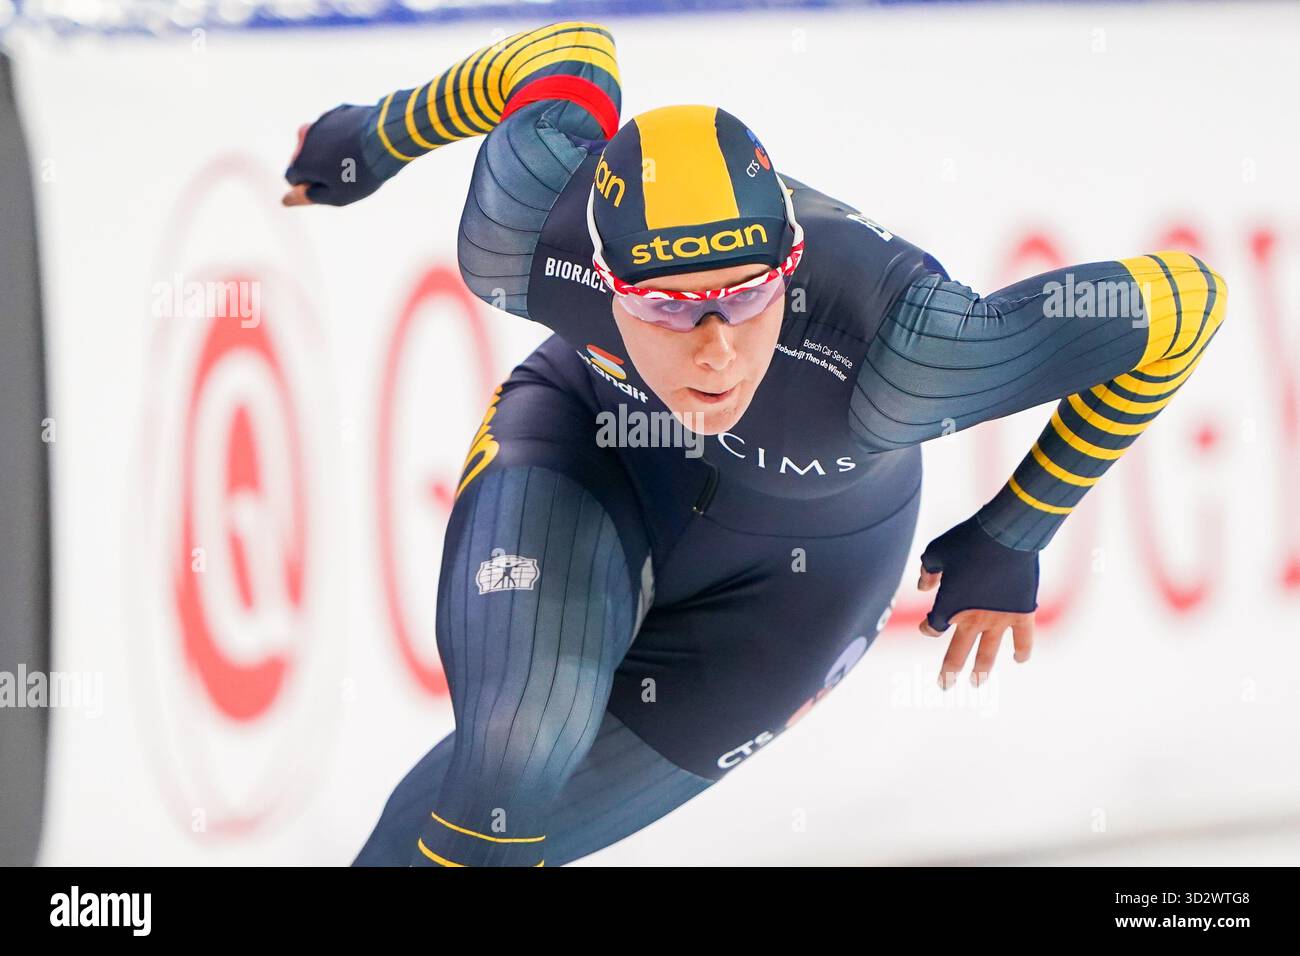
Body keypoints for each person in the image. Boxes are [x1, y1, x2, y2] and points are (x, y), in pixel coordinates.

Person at [283, 21, 1227, 867]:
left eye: (746, 293)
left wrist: (1019, 528)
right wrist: (377, 136)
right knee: (515, 752)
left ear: (791, 266)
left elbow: (1189, 302)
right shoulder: (521, 232)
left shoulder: (906, 355)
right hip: (592, 449)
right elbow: (567, 52)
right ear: (604, 278)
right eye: (670, 307)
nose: (718, 348)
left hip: (804, 582)